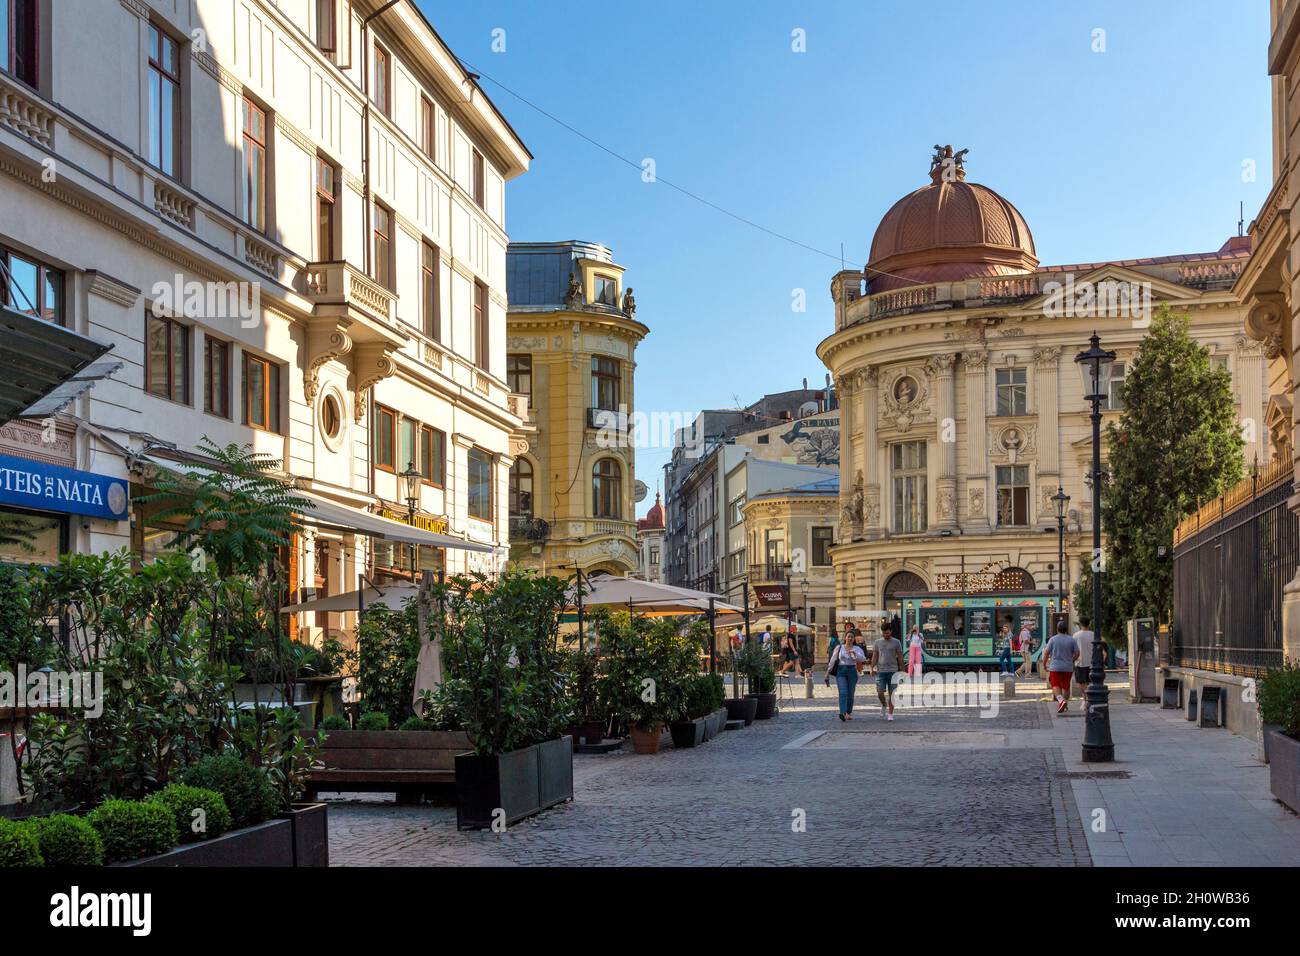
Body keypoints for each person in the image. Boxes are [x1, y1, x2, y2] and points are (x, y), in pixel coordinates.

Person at [826, 633, 866, 720]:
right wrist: (827, 673)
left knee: (850, 693)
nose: (850, 638)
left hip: (852, 671)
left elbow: (863, 658)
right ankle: (842, 712)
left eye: (852, 637)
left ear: (854, 639)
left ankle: (848, 712)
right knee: (843, 692)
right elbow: (833, 660)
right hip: (841, 671)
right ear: (845, 638)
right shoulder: (839, 648)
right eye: (848, 636)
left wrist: (855, 654)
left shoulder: (857, 648)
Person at [870, 624, 906, 721]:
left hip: (893, 671)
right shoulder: (877, 642)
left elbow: (900, 657)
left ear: (891, 632)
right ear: (882, 632)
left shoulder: (896, 642)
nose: (886, 634)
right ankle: (884, 704)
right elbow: (875, 656)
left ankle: (890, 714)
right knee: (880, 692)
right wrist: (872, 667)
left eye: (888, 633)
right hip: (881, 671)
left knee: (892, 693)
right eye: (884, 633)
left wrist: (903, 671)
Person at [1043, 620, 1079, 714]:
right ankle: (1064, 703)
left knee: (1055, 685)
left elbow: (1046, 653)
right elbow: (1077, 653)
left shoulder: (1053, 639)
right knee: (1066, 687)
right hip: (1068, 667)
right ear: (1066, 629)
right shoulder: (1072, 640)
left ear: (1057, 629)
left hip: (1055, 667)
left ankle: (1061, 700)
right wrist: (1072, 660)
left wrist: (1044, 664)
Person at [1072, 617, 1095, 697]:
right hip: (1091, 662)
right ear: (1089, 624)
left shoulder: (1076, 635)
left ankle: (1085, 698)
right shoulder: (1093, 634)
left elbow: (1073, 649)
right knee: (1089, 681)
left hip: (1079, 662)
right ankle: (1088, 698)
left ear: (1080, 624)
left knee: (1081, 682)